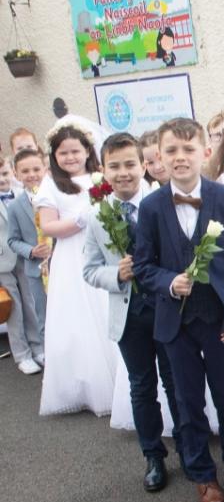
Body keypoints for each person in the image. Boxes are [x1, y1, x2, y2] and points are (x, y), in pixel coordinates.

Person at [132, 117, 224, 502]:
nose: (180, 157)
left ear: (205, 153)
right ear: (158, 156)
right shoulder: (152, 206)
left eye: (188, 149)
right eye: (171, 150)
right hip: (175, 325)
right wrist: (167, 281)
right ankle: (202, 475)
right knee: (187, 400)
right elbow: (143, 266)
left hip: (219, 317)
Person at [82, 132, 182, 493]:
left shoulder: (163, 204)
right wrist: (116, 274)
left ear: (144, 164)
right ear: (103, 171)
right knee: (142, 386)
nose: (123, 172)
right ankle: (153, 455)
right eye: (114, 166)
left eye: (130, 164)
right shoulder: (96, 217)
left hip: (166, 310)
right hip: (129, 315)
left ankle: (188, 447)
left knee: (176, 382)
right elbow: (90, 269)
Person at [34, 121, 118, 415]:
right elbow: (48, 226)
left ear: (87, 151)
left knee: (108, 309)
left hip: (102, 248)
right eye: (62, 153)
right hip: (72, 255)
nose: (69, 158)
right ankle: (86, 383)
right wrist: (80, 220)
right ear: (54, 156)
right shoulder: (51, 184)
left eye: (75, 151)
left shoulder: (98, 177)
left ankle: (119, 378)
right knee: (78, 317)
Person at [6, 148, 49, 370]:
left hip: (61, 266)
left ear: (45, 169)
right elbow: (12, 240)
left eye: (36, 169)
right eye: (25, 170)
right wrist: (31, 251)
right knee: (42, 316)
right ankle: (49, 357)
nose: (32, 174)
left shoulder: (55, 197)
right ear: (16, 173)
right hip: (35, 270)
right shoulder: (15, 206)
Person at [0, 155, 34, 372]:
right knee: (14, 308)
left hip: (23, 253)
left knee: (31, 302)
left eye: (4, 174)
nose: (2, 179)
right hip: (2, 260)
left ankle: (37, 346)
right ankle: (21, 354)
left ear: (12, 171)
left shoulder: (22, 194)